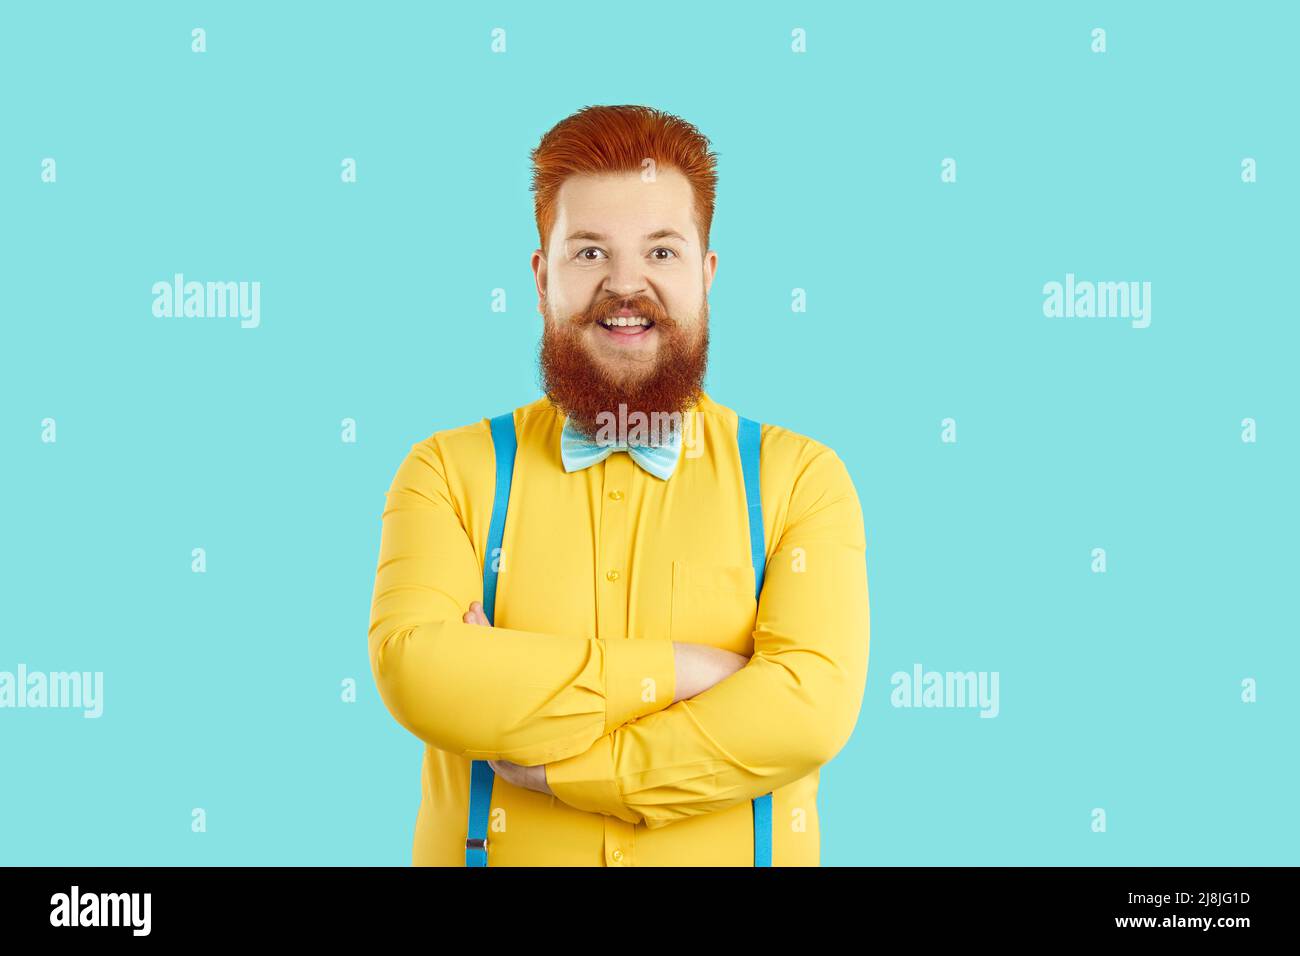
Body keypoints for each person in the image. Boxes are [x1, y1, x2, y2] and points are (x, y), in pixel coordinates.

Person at [368, 104, 870, 866]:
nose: (626, 284)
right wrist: (687, 672)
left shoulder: (801, 480)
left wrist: (566, 770)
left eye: (662, 253)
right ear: (543, 278)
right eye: (590, 252)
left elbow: (807, 712)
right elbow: (419, 672)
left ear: (706, 276)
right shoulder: (446, 472)